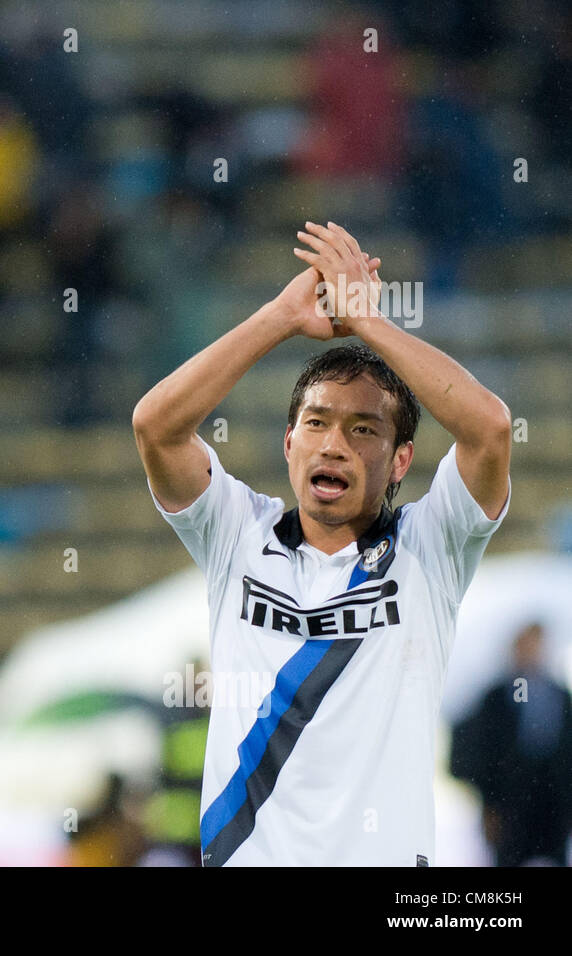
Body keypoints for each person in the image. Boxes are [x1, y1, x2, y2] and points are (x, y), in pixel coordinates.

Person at [132, 221, 512, 865]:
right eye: (316, 423)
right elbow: (155, 426)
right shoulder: (236, 535)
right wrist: (280, 316)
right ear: (288, 443)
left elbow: (491, 429)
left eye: (364, 429)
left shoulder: (432, 548)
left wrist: (368, 322)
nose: (334, 444)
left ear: (400, 460)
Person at [450, 622, 572, 865]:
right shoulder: (494, 699)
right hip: (507, 810)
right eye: (524, 644)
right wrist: (489, 802)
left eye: (535, 644)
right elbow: (473, 751)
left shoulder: (559, 696)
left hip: (553, 809)